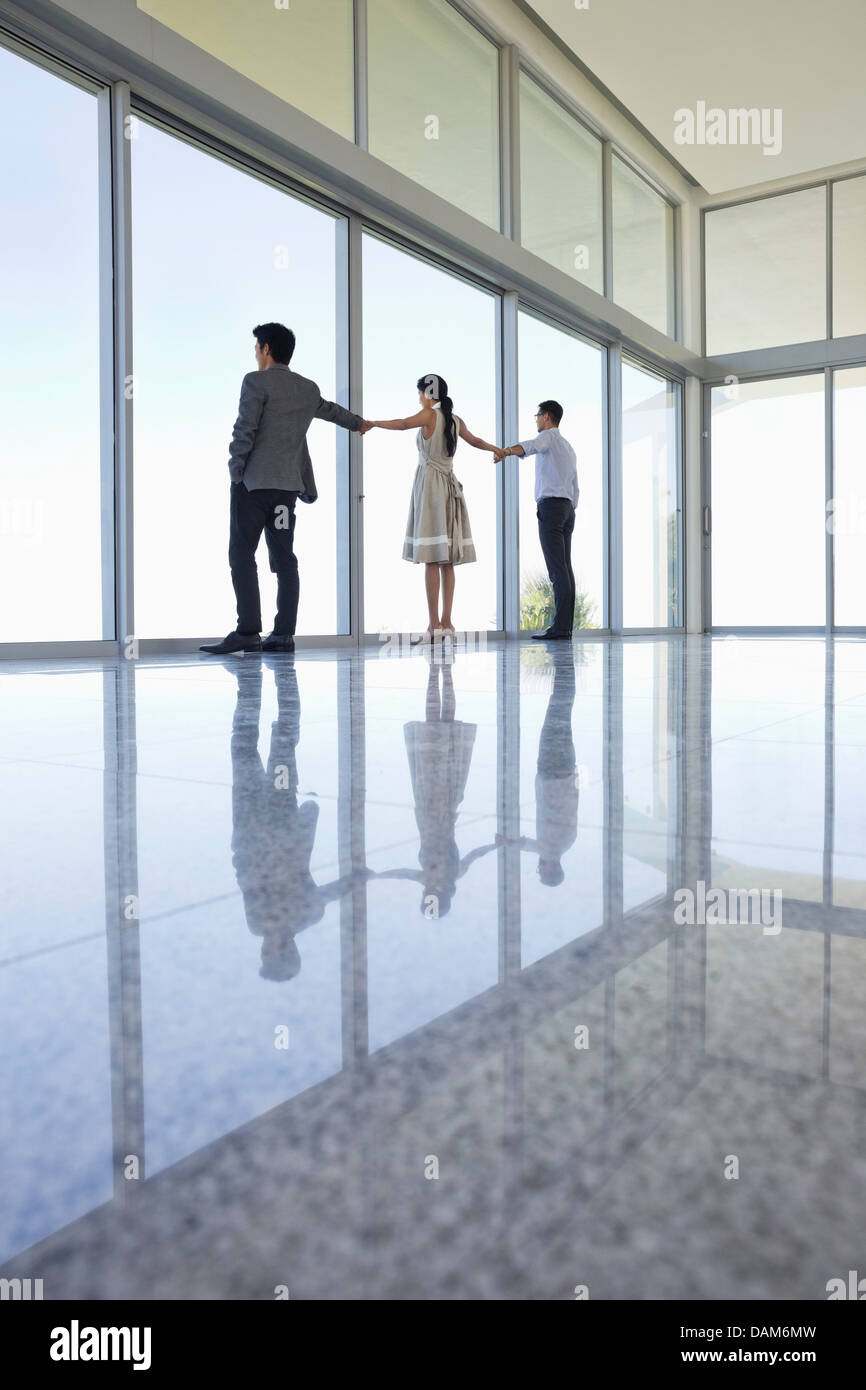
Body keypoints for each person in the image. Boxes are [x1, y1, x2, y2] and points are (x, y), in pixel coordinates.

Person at [201, 322, 371, 656]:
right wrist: (359, 423)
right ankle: (282, 635)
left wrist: (236, 472)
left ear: (265, 348)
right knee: (284, 558)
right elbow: (331, 411)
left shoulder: (255, 381)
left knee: (241, 555)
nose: (254, 353)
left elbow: (244, 428)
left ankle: (248, 631)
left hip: (253, 486)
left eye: (256, 347)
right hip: (287, 491)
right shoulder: (306, 388)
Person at [368, 374, 499, 642]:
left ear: (429, 393)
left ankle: (433, 625)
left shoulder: (429, 416)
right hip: (449, 487)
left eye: (420, 393)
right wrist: (499, 450)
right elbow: (475, 441)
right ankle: (447, 623)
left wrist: (373, 423)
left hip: (431, 487)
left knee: (431, 556)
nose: (419, 398)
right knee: (447, 559)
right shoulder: (454, 420)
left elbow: (404, 424)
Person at [496, 401, 579, 641]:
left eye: (538, 415)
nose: (536, 419)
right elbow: (575, 486)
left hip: (552, 508)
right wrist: (569, 507)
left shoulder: (549, 438)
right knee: (565, 567)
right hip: (566, 509)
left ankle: (561, 629)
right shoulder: (568, 447)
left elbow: (532, 446)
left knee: (557, 569)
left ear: (547, 417)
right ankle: (565, 627)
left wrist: (507, 451)